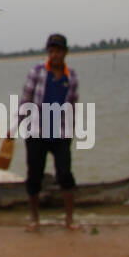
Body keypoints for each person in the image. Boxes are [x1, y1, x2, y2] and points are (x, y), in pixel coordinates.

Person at [17, 33, 80, 231]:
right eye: (51, 51)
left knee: (65, 175)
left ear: (65, 52)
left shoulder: (72, 77)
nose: (55, 55)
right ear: (48, 53)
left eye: (58, 51)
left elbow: (72, 105)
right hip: (36, 131)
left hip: (60, 133)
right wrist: (15, 125)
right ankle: (34, 218)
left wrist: (73, 130)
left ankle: (69, 219)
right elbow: (25, 100)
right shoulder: (37, 72)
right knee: (34, 176)